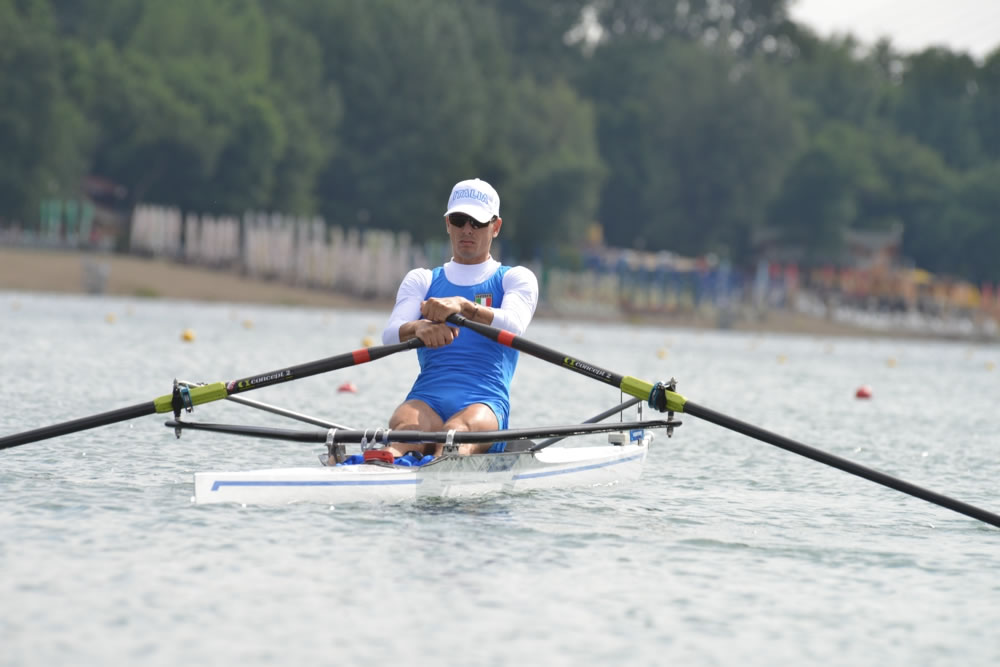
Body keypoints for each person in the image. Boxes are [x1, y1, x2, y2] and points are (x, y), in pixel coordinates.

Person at [381, 178, 539, 458]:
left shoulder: (515, 279)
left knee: (455, 434)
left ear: (496, 227)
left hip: (484, 403)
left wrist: (465, 308)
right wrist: (419, 327)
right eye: (459, 219)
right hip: (427, 399)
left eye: (477, 222)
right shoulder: (422, 280)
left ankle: (444, 463)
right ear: (447, 224)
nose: (467, 229)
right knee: (404, 430)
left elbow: (514, 325)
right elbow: (390, 334)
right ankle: (383, 463)